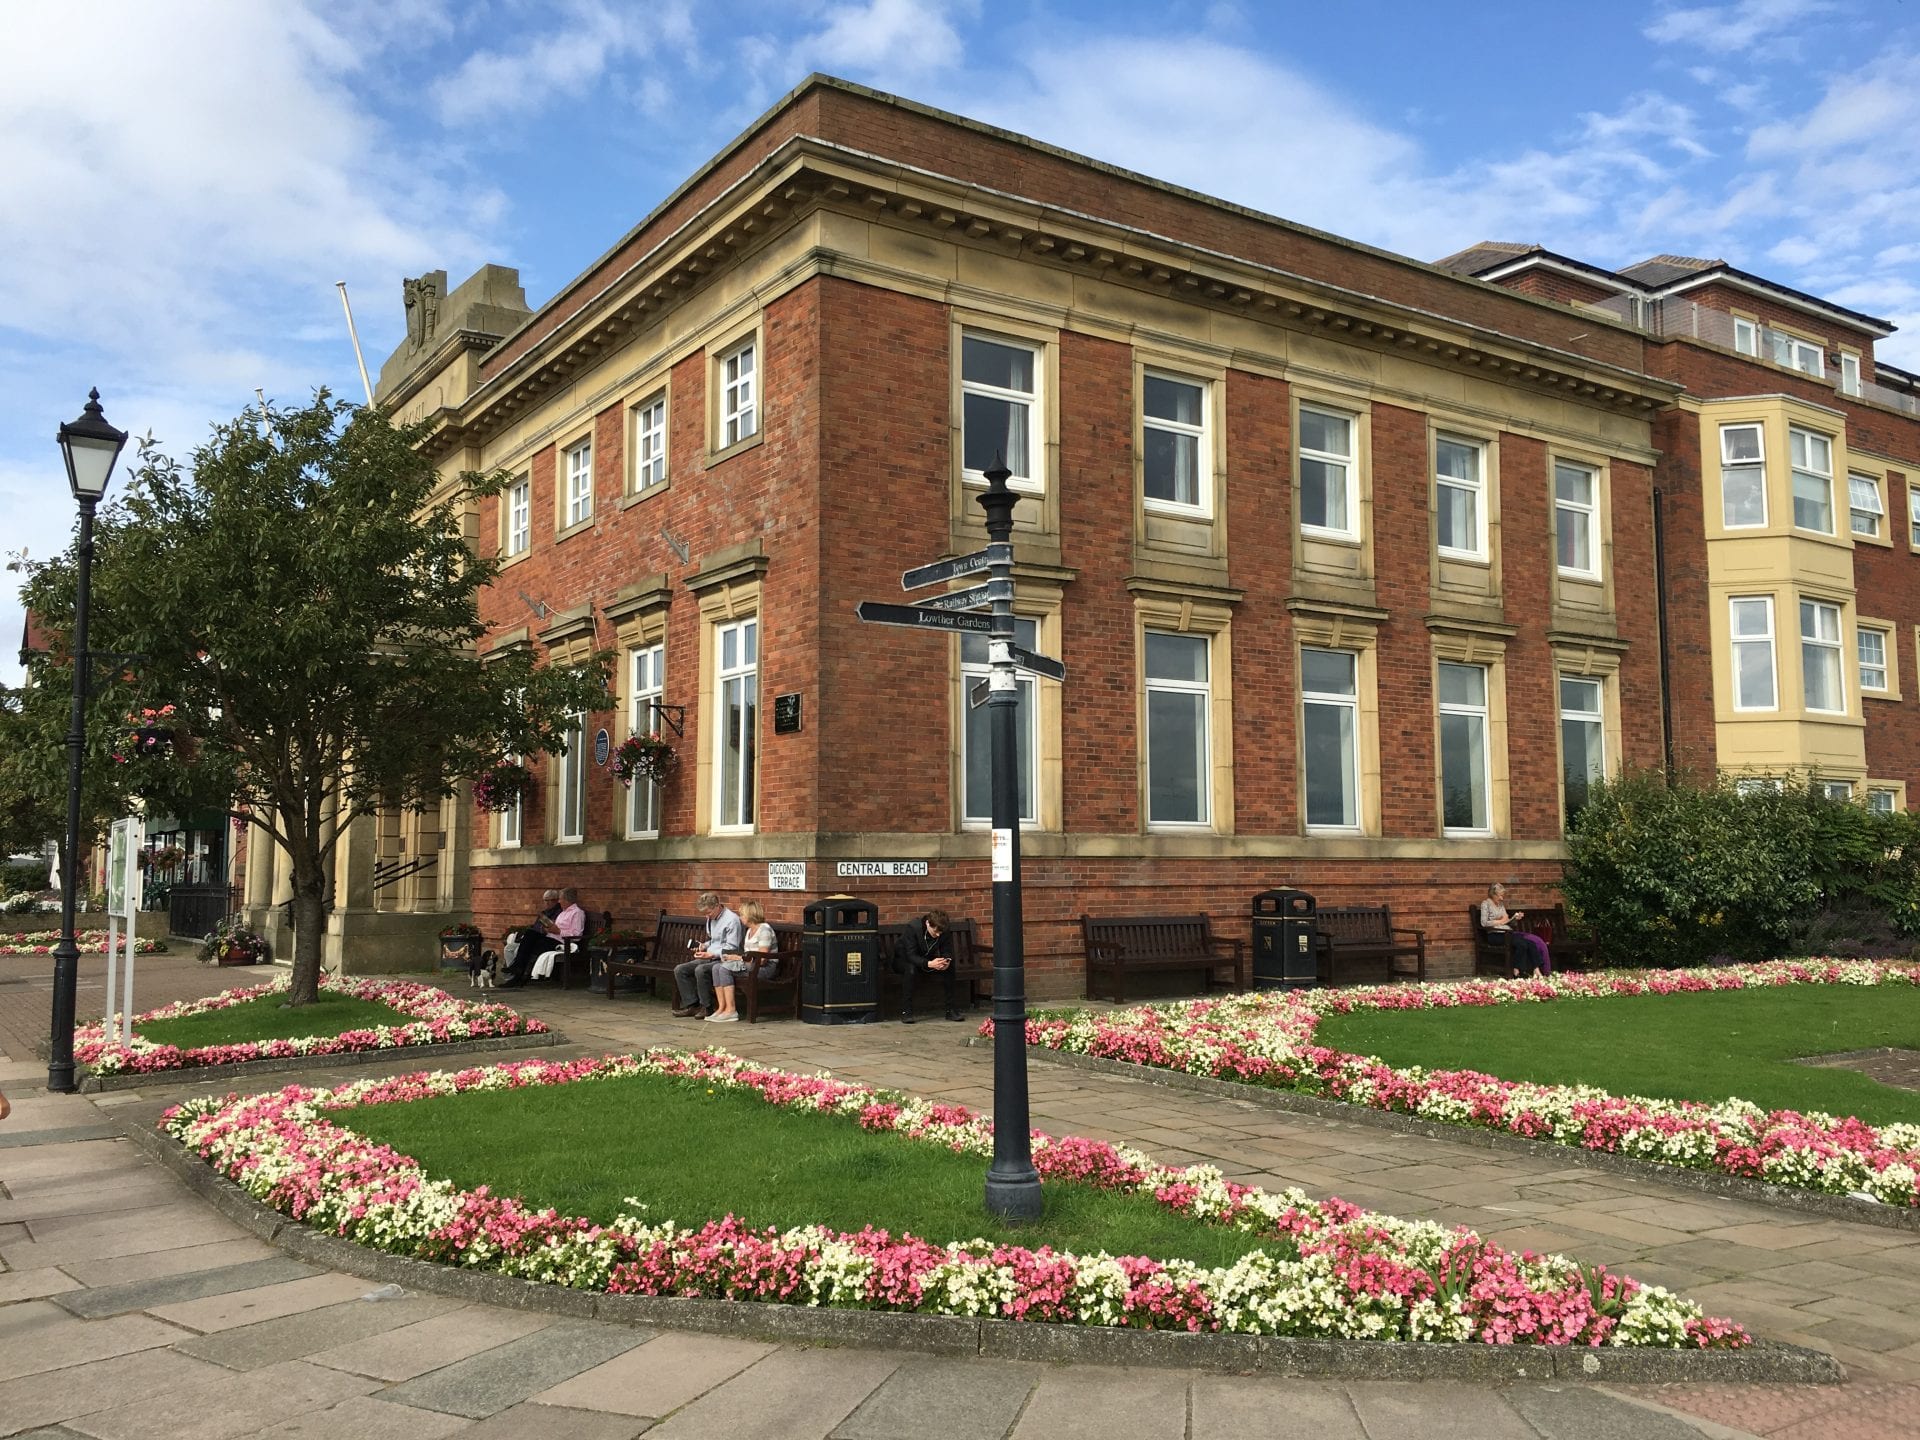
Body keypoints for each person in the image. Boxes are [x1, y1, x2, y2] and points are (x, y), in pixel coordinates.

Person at [708, 900, 779, 1022]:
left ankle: (731, 1010)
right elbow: (747, 955)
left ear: (750, 915)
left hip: (764, 969)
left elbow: (762, 960)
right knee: (716, 967)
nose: (740, 918)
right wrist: (733, 957)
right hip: (750, 965)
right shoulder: (749, 931)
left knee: (725, 969)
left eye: (742, 915)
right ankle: (722, 1008)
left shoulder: (764, 930)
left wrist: (738, 958)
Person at [674, 890, 742, 1017]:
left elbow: (732, 948)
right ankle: (692, 1005)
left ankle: (707, 1007)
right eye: (704, 914)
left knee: (701, 970)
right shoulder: (710, 918)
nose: (707, 916)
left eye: (708, 912)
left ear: (717, 906)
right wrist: (703, 946)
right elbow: (714, 940)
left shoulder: (732, 920)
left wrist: (711, 954)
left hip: (725, 959)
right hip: (710, 955)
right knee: (680, 969)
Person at [895, 908, 965, 1023]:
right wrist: (929, 963)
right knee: (911, 970)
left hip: (926, 960)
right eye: (935, 931)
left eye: (940, 933)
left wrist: (946, 961)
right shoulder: (913, 928)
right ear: (928, 923)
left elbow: (947, 949)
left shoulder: (943, 929)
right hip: (904, 961)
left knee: (950, 968)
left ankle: (951, 1010)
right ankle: (906, 1011)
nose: (938, 935)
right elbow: (910, 955)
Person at [1481, 882, 1551, 978]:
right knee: (1521, 944)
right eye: (1500, 896)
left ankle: (1536, 969)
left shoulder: (1500, 905)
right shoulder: (1486, 904)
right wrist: (1500, 921)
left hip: (1507, 932)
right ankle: (1516, 968)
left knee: (1531, 943)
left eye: (1503, 896)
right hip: (1495, 935)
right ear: (1493, 894)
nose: (1502, 898)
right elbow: (1484, 923)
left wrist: (1514, 918)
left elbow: (1507, 921)